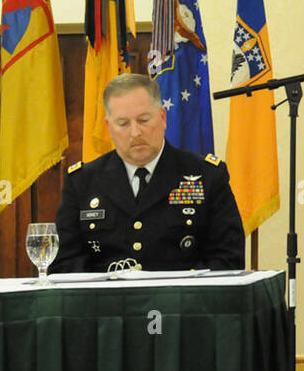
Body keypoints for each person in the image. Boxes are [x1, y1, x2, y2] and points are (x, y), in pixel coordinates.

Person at [53, 73, 246, 272]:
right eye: (123, 124)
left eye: (143, 120)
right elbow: (63, 263)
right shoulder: (83, 181)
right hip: (106, 302)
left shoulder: (206, 175)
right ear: (108, 127)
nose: (135, 133)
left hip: (184, 301)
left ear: (163, 117)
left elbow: (228, 258)